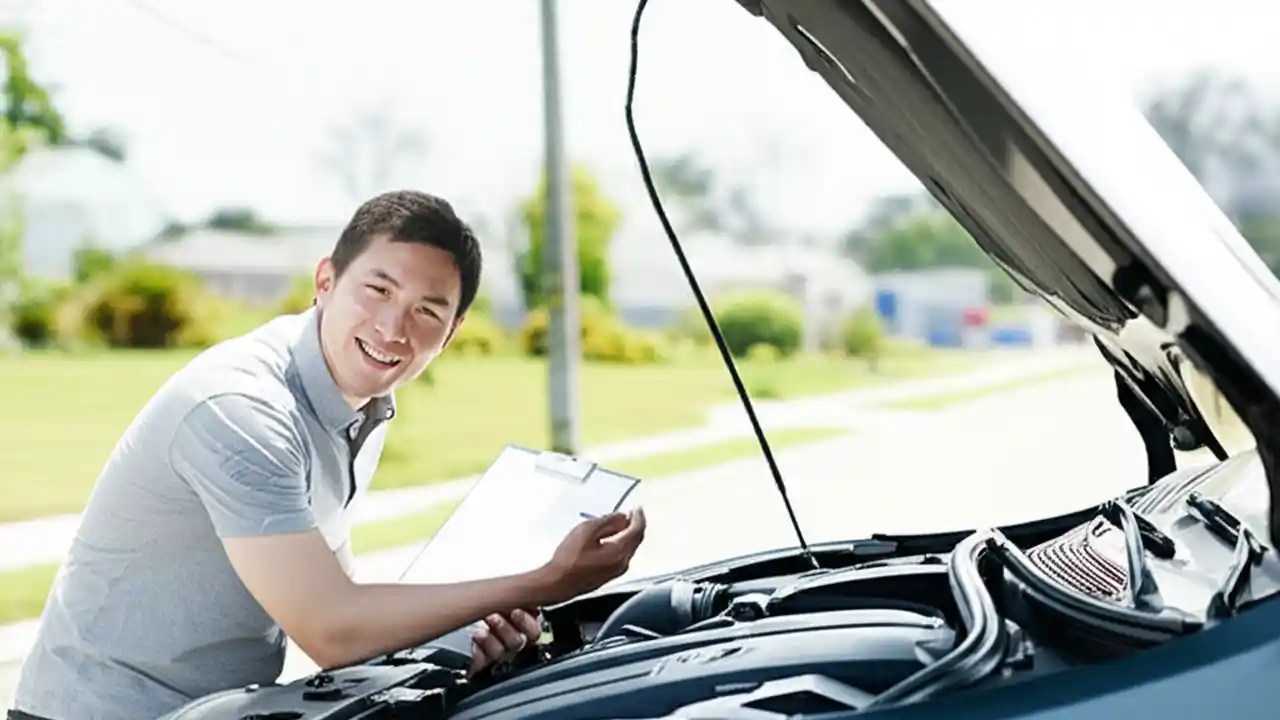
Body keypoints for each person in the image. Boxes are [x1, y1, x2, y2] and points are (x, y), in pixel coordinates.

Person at [7, 190, 647, 720]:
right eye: (378, 289)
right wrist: (547, 580)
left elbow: (338, 613)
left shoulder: (358, 402)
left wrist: (472, 628)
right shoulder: (243, 408)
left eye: (428, 311)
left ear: (450, 336)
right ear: (325, 280)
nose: (393, 329)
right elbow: (332, 628)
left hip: (216, 710)